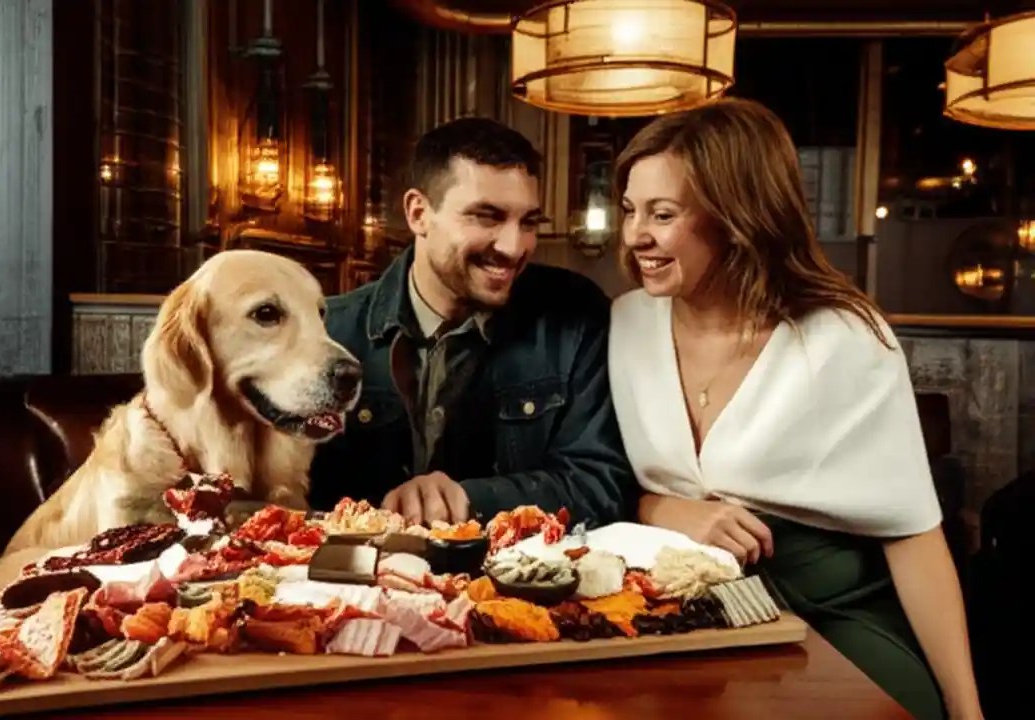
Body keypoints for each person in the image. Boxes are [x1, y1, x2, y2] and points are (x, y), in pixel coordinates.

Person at [607, 97, 983, 720]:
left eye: (663, 214)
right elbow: (603, 481)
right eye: (630, 210)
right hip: (683, 621)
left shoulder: (846, 338)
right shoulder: (624, 325)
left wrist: (966, 708)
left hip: (832, 616)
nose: (635, 234)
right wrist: (661, 506)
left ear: (735, 216)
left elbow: (914, 533)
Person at [308, 116, 635, 529]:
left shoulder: (576, 314)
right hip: (352, 588)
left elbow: (601, 486)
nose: (514, 247)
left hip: (516, 586)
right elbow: (283, 492)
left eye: (529, 222)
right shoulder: (327, 332)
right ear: (418, 213)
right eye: (486, 217)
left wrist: (469, 499)